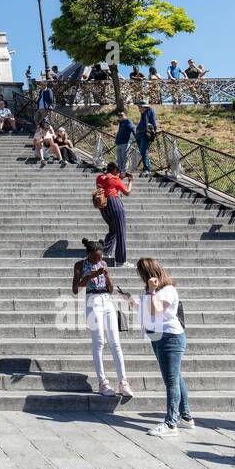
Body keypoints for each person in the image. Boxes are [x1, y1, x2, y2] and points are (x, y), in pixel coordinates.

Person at [137, 257, 193, 436]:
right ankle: (186, 417)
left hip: (171, 337)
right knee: (176, 377)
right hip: (158, 336)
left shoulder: (168, 290)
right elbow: (149, 310)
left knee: (171, 381)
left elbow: (156, 310)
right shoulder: (156, 290)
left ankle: (170, 424)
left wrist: (152, 292)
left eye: (142, 273)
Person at [71, 239, 133, 398]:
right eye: (95, 257)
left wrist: (107, 276)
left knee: (115, 342)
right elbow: (75, 289)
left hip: (107, 300)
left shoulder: (103, 263)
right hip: (92, 301)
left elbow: (111, 289)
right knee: (99, 341)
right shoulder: (80, 265)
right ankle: (102, 382)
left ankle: (123, 381)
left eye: (100, 257)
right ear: (88, 254)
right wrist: (90, 275)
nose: (98, 260)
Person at [96, 162, 132, 267]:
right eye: (118, 171)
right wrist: (130, 182)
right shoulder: (115, 179)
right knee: (121, 231)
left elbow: (108, 182)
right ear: (115, 170)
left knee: (113, 228)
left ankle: (106, 251)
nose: (119, 173)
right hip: (114, 202)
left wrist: (120, 177)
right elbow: (127, 192)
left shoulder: (99, 177)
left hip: (103, 204)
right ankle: (121, 260)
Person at [135, 103, 157, 174]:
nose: (138, 109)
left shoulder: (150, 111)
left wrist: (153, 132)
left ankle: (148, 168)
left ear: (144, 107)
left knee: (143, 151)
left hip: (144, 134)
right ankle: (146, 167)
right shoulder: (143, 113)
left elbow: (153, 123)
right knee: (142, 152)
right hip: (139, 134)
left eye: (139, 107)